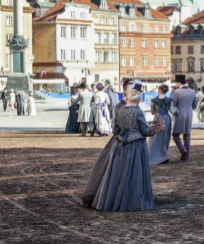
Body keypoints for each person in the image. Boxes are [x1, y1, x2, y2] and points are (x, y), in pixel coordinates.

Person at [81, 82, 165, 211]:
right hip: (136, 146)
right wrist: (158, 128)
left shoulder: (119, 110)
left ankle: (115, 201)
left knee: (118, 176)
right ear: (138, 98)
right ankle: (134, 201)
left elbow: (115, 130)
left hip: (120, 146)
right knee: (135, 175)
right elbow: (145, 131)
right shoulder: (137, 111)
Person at [171, 75, 197, 162]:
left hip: (179, 115)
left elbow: (173, 104)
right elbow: (194, 104)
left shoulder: (177, 92)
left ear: (178, 82)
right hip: (189, 114)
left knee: (175, 135)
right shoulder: (192, 91)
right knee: (187, 135)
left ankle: (183, 150)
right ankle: (186, 156)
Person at [148, 84, 173, 165]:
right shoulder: (169, 100)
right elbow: (173, 110)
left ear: (159, 90)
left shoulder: (154, 100)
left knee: (155, 139)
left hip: (157, 119)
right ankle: (164, 156)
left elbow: (152, 111)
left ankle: (155, 155)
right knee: (165, 138)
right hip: (166, 119)